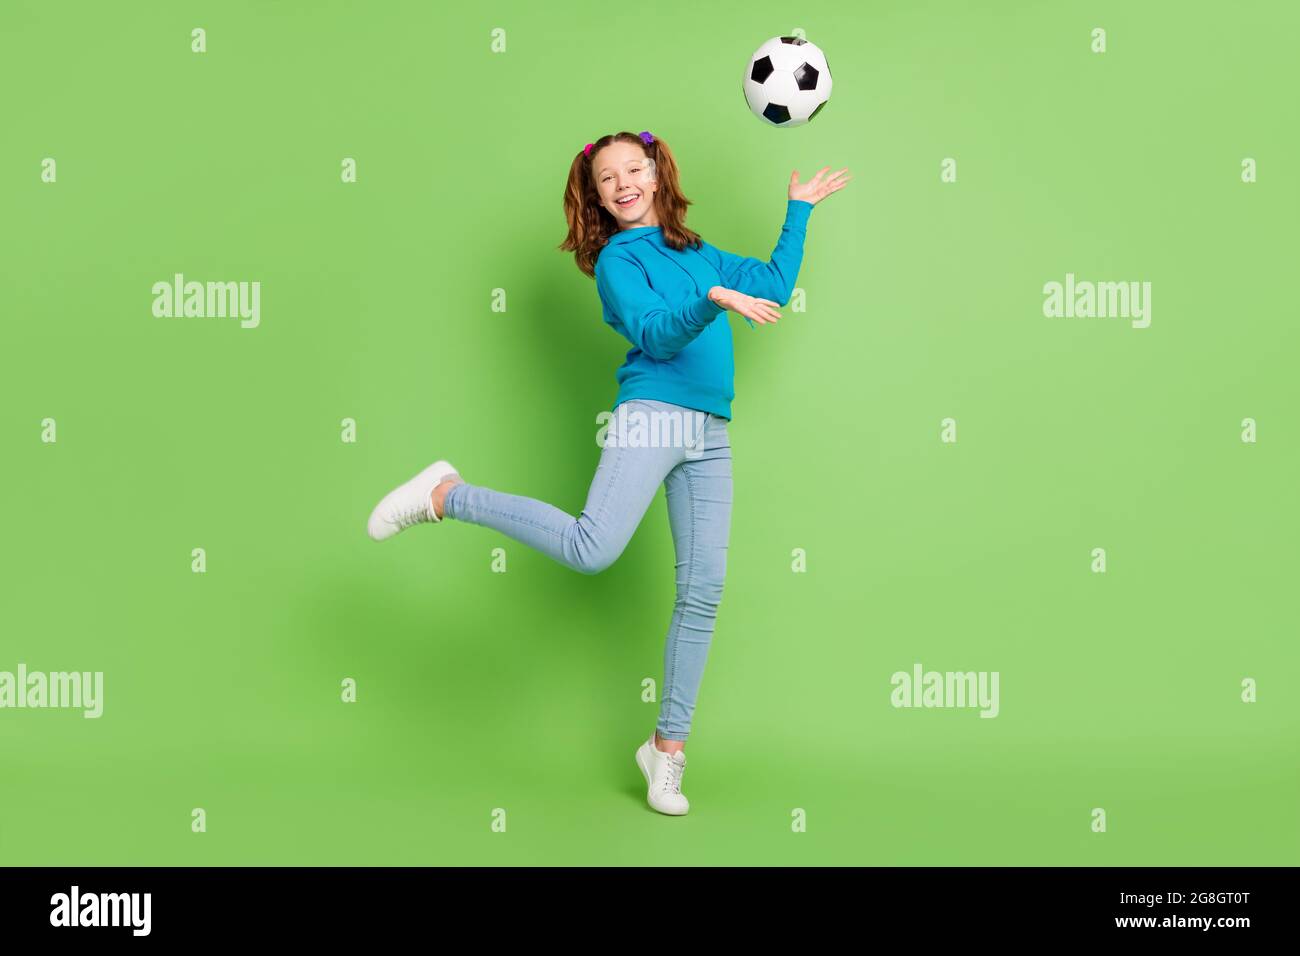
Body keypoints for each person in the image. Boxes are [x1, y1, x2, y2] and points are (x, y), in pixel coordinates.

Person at [367, 130, 849, 815]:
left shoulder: (696, 250)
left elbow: (772, 284)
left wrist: (797, 210)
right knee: (592, 547)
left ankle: (667, 751)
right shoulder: (621, 262)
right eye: (605, 178)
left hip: (709, 430)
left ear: (656, 176)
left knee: (703, 590)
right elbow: (655, 332)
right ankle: (447, 494)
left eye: (633, 169)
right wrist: (711, 299)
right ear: (595, 197)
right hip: (652, 414)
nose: (621, 183)